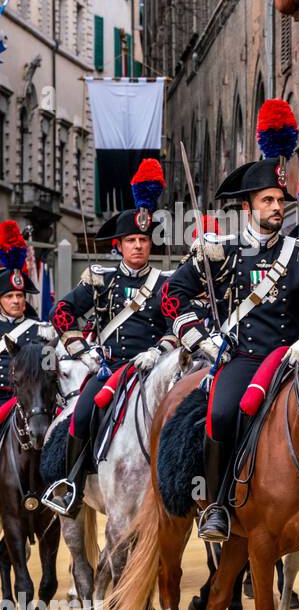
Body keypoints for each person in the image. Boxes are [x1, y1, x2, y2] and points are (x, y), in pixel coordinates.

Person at [159, 99, 299, 542]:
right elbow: (171, 296)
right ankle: (218, 504)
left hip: (292, 356)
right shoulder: (219, 250)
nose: (278, 207)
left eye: (281, 200)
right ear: (247, 206)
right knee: (219, 414)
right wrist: (200, 341)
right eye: (268, 200)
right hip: (240, 356)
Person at [42, 160, 179, 517]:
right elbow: (62, 313)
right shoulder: (100, 279)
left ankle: (191, 489)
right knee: (83, 414)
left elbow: (177, 323)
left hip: (152, 369)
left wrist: (160, 350)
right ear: (118, 245)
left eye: (144, 240)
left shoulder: (166, 284)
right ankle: (70, 483)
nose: (138, 246)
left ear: (151, 244)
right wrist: (82, 351)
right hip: (109, 369)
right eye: (131, 240)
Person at [0, 223, 55, 406]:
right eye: (9, 296)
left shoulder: (43, 331)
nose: (16, 301)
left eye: (20, 295)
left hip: (30, 402)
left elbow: (50, 371)